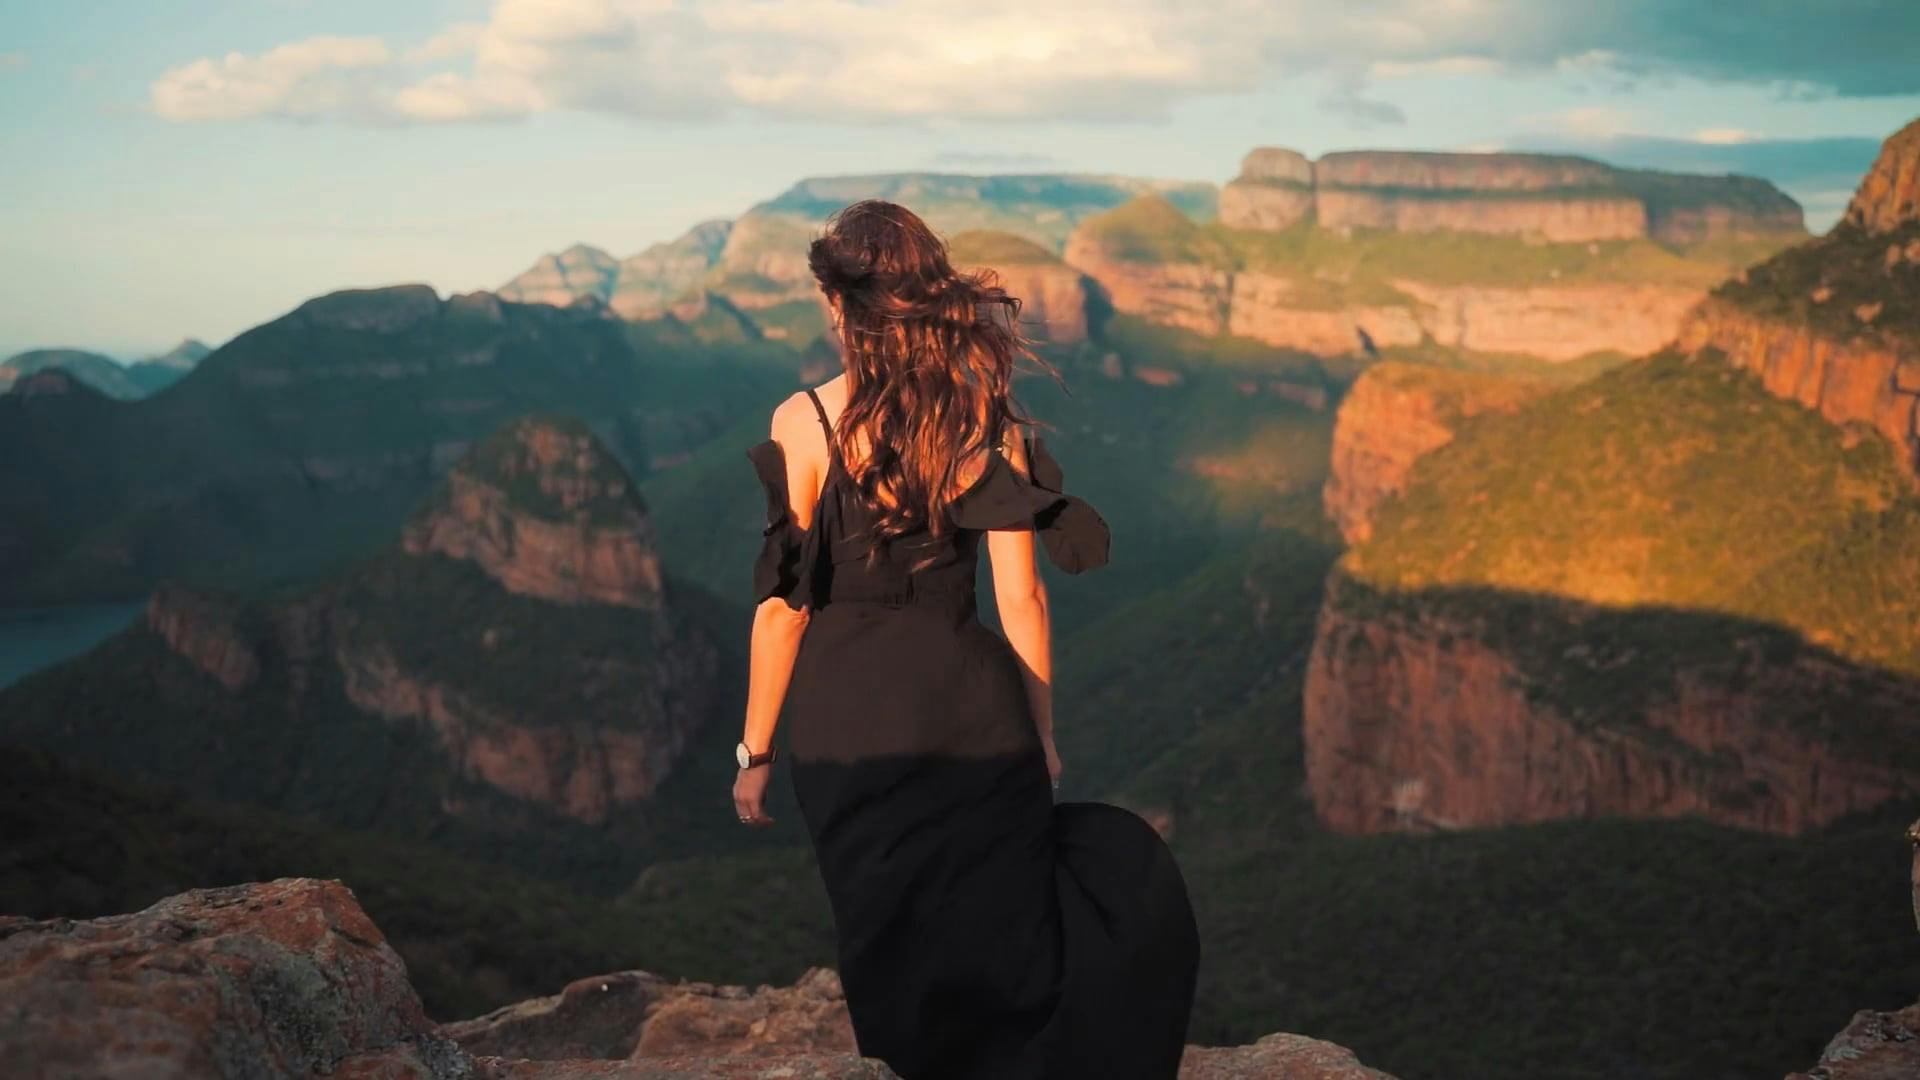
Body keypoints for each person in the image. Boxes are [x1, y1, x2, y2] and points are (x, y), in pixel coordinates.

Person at [731, 199, 1199, 1080]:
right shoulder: (981, 410)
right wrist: (1044, 735)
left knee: (886, 935)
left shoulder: (806, 421)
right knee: (1000, 937)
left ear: (841, 305)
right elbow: (1022, 598)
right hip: (974, 708)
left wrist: (755, 750)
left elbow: (784, 609)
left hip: (849, 724)